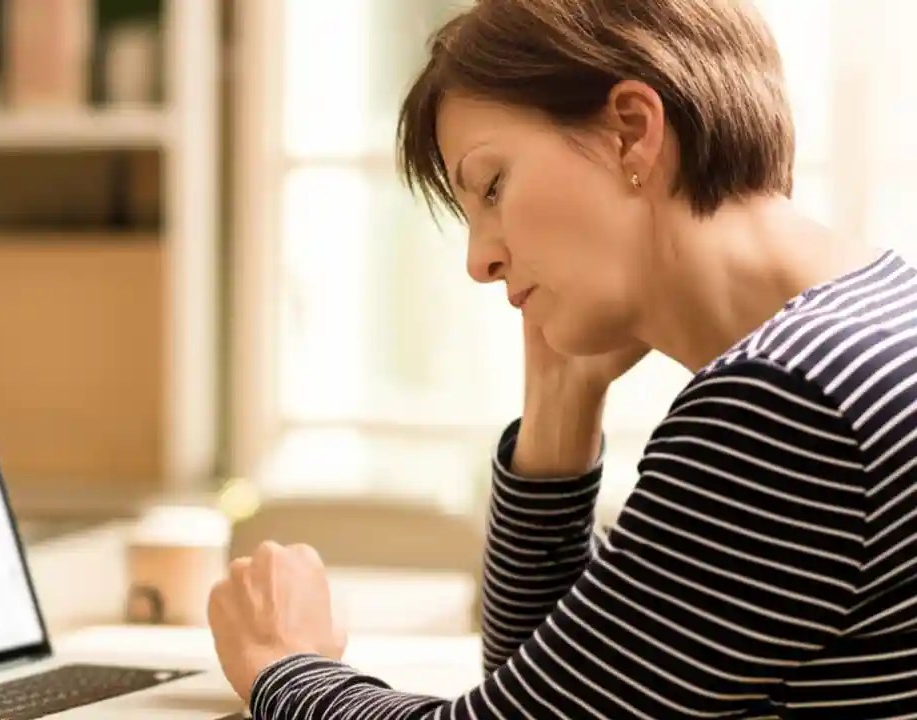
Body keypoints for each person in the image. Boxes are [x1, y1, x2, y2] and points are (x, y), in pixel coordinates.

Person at [207, 0, 917, 718]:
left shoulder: (788, 406)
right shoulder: (877, 327)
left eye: (492, 185)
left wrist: (282, 665)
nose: (479, 261)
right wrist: (561, 399)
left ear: (630, 132)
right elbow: (556, 690)